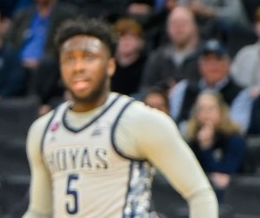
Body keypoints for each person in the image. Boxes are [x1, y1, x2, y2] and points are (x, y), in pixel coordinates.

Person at [22, 18, 217, 218]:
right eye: (69, 58)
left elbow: (199, 193)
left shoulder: (139, 120)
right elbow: (39, 212)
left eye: (89, 57)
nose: (78, 67)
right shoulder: (43, 129)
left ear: (110, 66)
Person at [181, 91, 245, 194]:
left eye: (211, 109)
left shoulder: (234, 138)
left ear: (221, 112)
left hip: (233, 194)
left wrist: (206, 148)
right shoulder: (192, 139)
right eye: (202, 109)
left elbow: (223, 175)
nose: (206, 113)